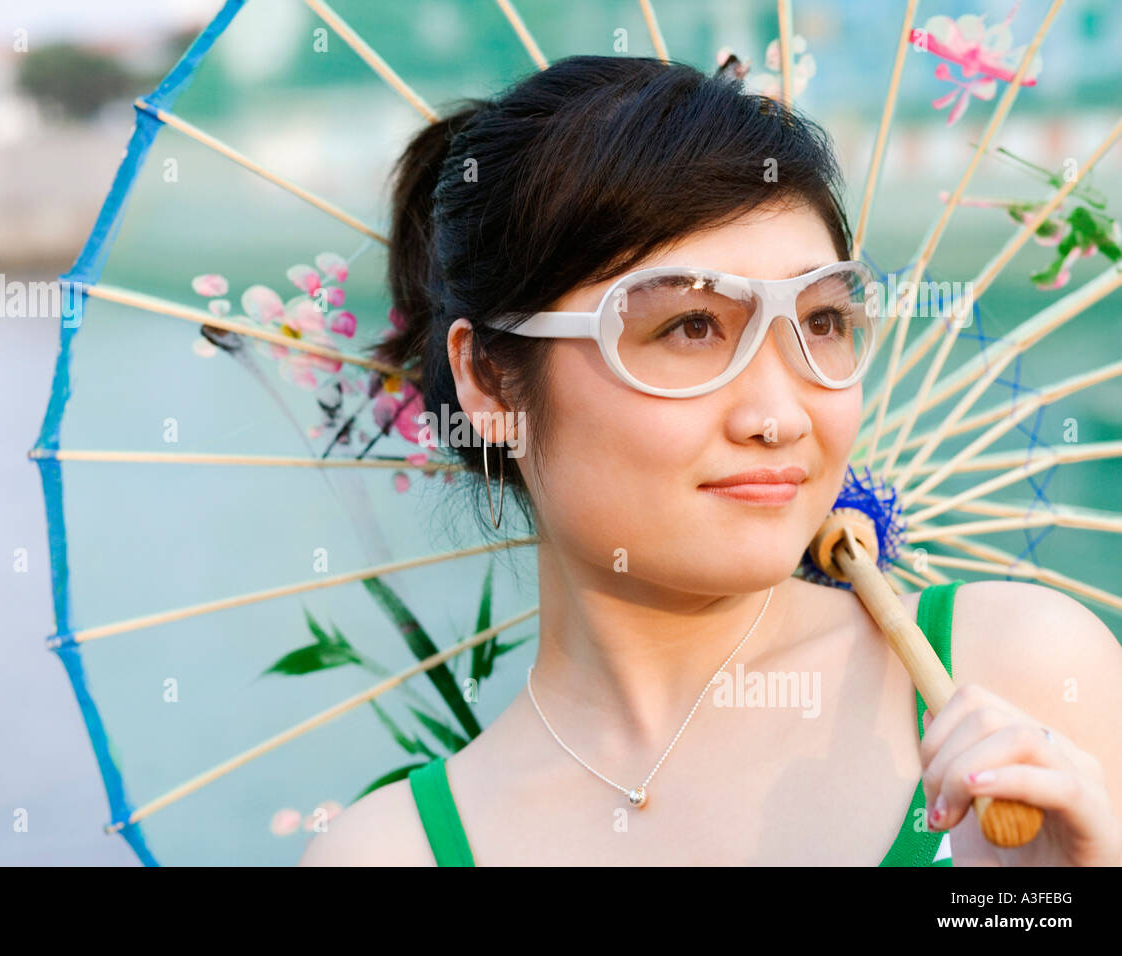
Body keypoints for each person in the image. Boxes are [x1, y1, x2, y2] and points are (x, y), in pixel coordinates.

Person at [300, 55, 1122, 866]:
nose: (778, 415)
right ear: (488, 377)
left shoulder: (1019, 685)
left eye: (823, 320)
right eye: (691, 328)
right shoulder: (394, 853)